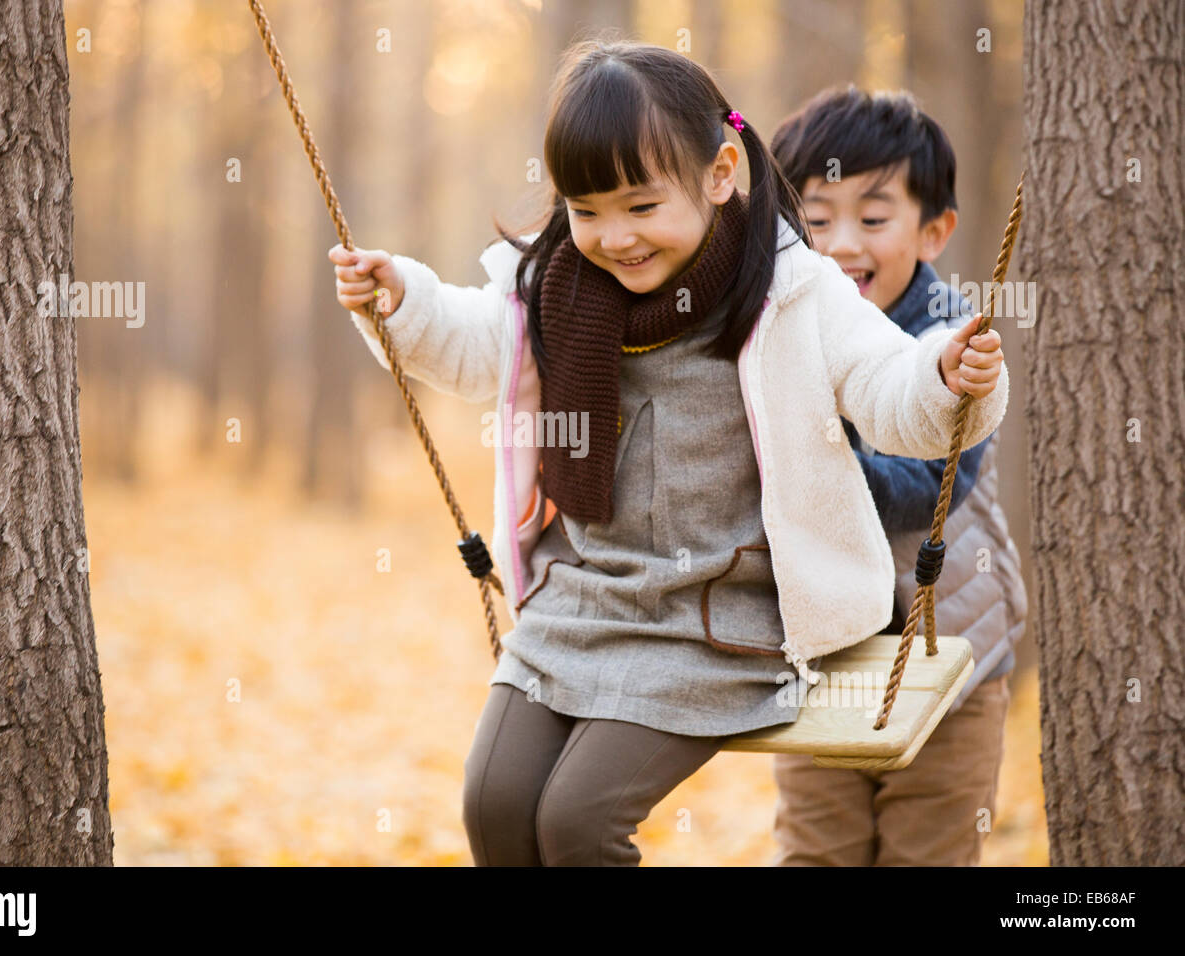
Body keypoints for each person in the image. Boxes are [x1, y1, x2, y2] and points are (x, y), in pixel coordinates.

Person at [329, 40, 1010, 866]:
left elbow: (886, 388)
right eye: (587, 210)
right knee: (495, 805)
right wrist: (402, 299)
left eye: (640, 207)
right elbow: (478, 348)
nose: (613, 237)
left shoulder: (791, 289)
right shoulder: (553, 280)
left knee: (575, 824)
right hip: (580, 600)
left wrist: (942, 374)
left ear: (719, 174)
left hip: (718, 622)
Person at [766, 84, 1028, 866]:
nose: (843, 244)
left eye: (874, 218)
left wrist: (809, 468)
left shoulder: (954, 345)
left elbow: (920, 487)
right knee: (817, 847)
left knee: (930, 850)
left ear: (935, 229)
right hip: (829, 661)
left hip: (949, 655)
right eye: (815, 220)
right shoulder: (778, 339)